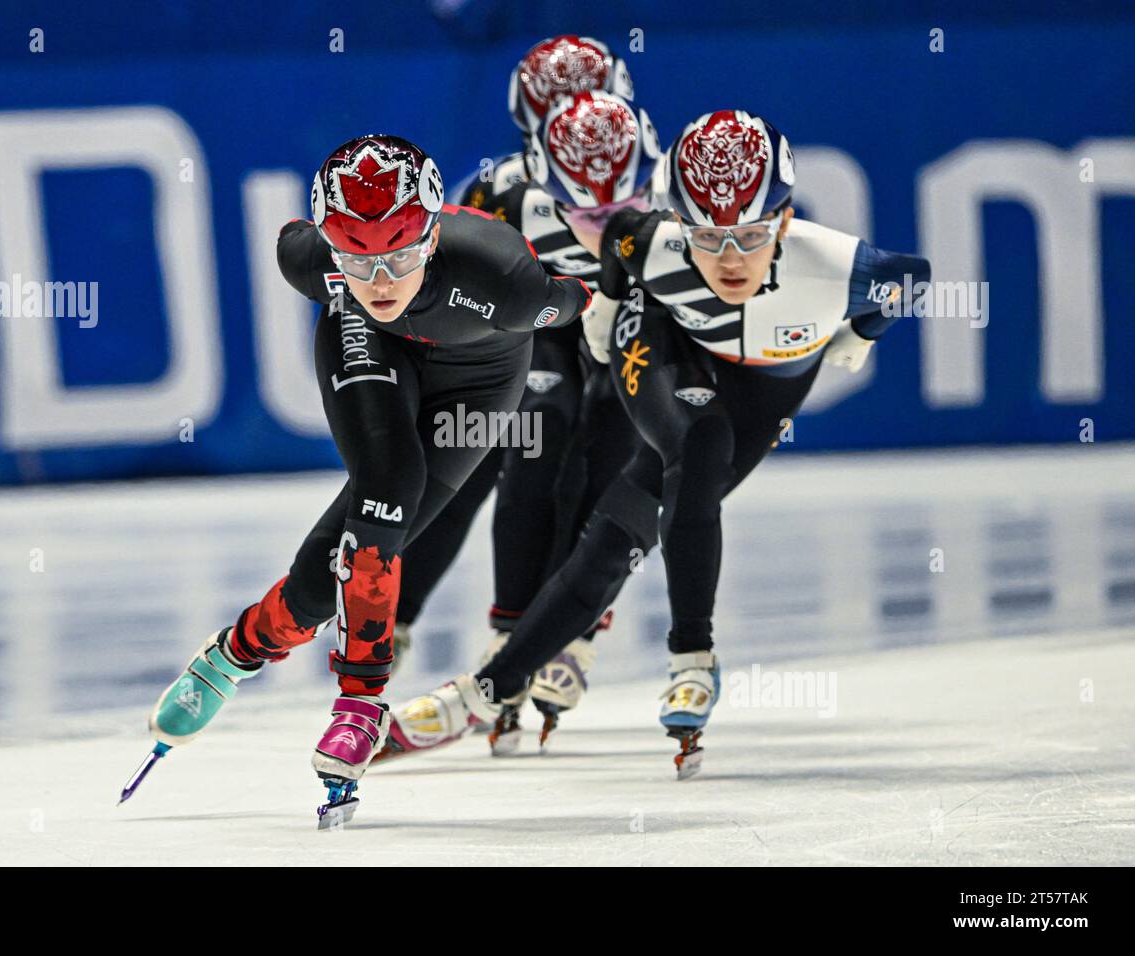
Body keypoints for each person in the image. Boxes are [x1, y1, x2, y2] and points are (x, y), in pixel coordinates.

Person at [382, 110, 932, 778]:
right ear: (681, 223)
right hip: (669, 346)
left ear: (785, 223)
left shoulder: (839, 267)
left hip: (763, 388)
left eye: (751, 236)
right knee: (694, 443)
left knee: (620, 536)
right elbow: (618, 244)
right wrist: (608, 319)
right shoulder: (656, 243)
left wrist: (859, 332)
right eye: (708, 236)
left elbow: (914, 276)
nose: (730, 259)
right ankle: (692, 657)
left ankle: (486, 689)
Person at [125, 134, 590, 824]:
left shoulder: (505, 282)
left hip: (482, 380)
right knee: (387, 484)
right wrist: (356, 275)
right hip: (369, 347)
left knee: (320, 586)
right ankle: (361, 705)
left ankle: (233, 653)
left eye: (399, 257)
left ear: (432, 236)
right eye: (356, 258)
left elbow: (576, 299)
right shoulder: (314, 265)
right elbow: (304, 244)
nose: (379, 282)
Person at [391, 40, 647, 748]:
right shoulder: (501, 190)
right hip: (536, 333)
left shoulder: (654, 179)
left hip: (620, 331)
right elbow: (446, 278)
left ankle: (563, 634)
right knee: (498, 445)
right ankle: (427, 617)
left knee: (602, 456)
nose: (590, 167)